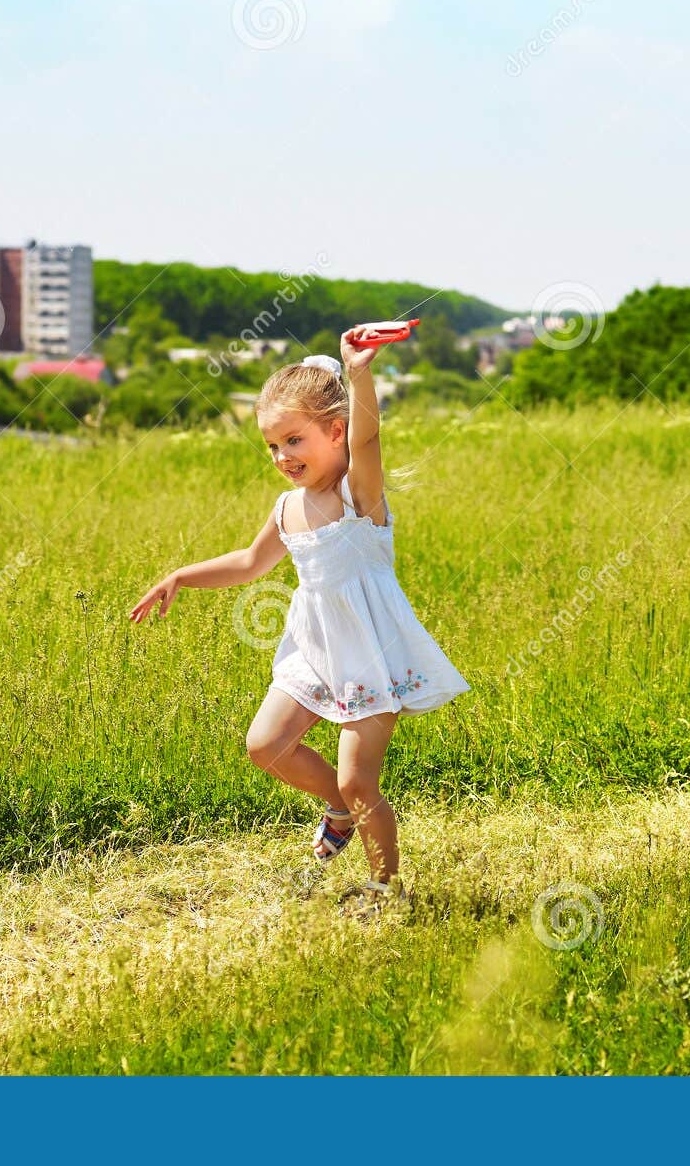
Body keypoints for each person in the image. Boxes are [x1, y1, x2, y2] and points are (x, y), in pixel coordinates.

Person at [129, 327, 469, 913]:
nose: (282, 457)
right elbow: (249, 562)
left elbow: (369, 442)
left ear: (334, 431)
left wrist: (357, 371)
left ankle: (386, 888)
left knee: (363, 781)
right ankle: (338, 810)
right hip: (313, 649)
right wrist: (181, 575)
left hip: (370, 654)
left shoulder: (357, 496)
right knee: (265, 745)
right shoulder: (287, 507)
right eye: (271, 446)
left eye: (294, 440)